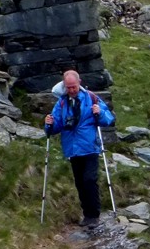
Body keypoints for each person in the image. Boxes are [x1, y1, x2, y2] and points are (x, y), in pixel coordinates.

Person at [44, 69, 115, 226]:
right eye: (68, 87)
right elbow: (56, 127)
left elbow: (108, 119)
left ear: (79, 83)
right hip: (73, 149)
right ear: (64, 86)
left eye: (74, 87)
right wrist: (49, 124)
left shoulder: (91, 98)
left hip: (90, 147)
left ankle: (94, 216)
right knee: (80, 183)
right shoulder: (61, 103)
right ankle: (87, 215)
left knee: (89, 180)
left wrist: (100, 113)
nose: (71, 90)